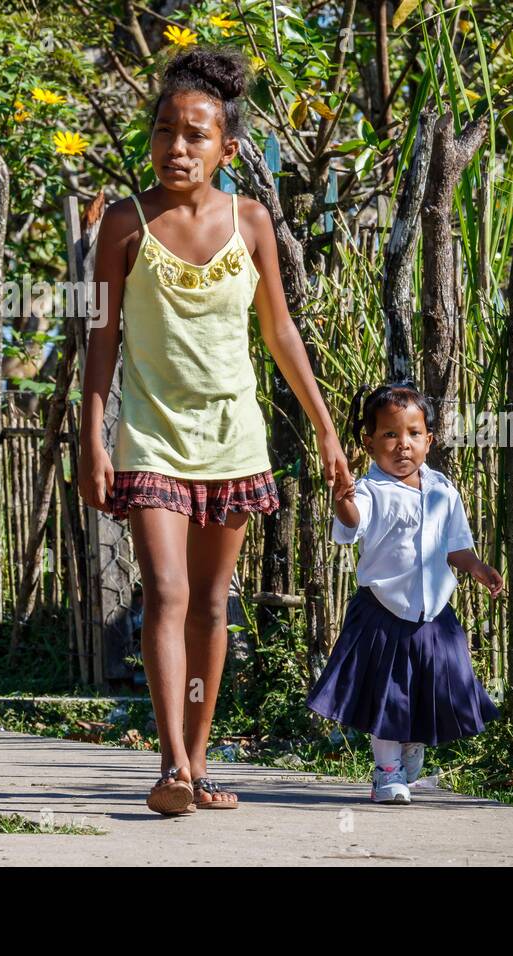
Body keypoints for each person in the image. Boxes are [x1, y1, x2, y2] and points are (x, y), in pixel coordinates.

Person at [79, 47, 353, 815]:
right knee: (163, 590)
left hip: (234, 437)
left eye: (195, 135)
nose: (176, 147)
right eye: (165, 130)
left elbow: (281, 333)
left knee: (210, 602)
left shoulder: (253, 222)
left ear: (227, 149)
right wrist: (90, 435)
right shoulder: (125, 226)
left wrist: (328, 435)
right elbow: (100, 339)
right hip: (152, 436)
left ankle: (198, 766)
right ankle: (169, 765)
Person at [308, 382, 503, 804]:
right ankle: (387, 772)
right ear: (369, 441)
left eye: (413, 434)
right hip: (383, 610)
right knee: (387, 693)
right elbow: (352, 524)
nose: (403, 445)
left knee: (439, 682)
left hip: (434, 613)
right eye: (390, 435)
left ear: (429, 440)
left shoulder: (443, 490)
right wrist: (342, 497)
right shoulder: (370, 490)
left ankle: (413, 743)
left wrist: (478, 567)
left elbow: (456, 546)